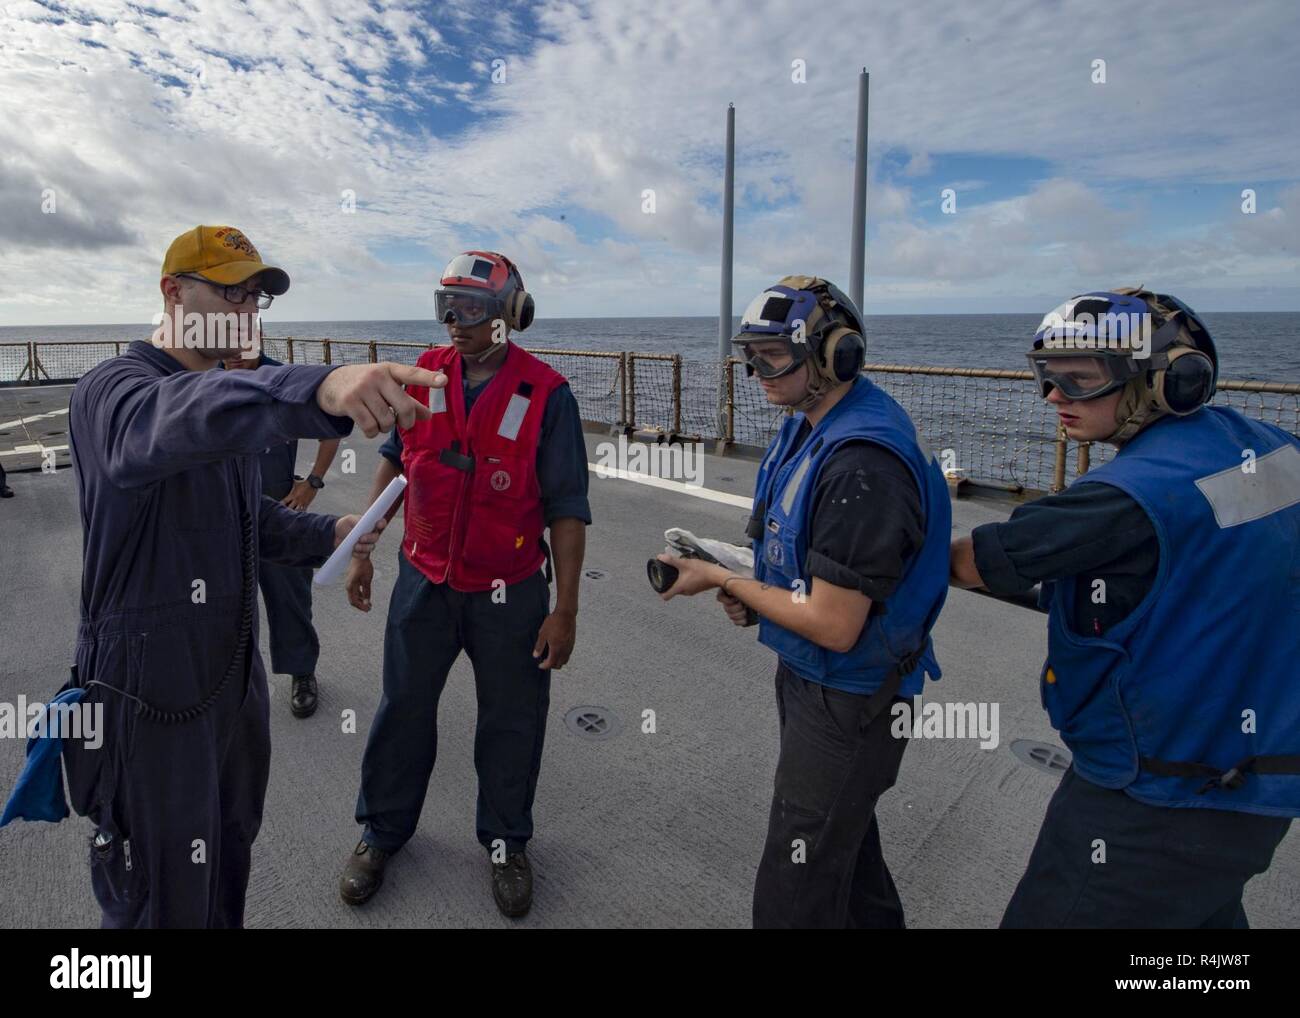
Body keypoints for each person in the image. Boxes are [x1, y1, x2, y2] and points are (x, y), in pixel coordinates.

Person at [60, 224, 446, 928]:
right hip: (146, 696)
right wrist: (323, 385)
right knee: (159, 894)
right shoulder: (114, 391)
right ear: (172, 292)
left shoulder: (217, 397)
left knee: (226, 861)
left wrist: (335, 532)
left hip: (231, 687)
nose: (244, 311)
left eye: (253, 298)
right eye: (228, 292)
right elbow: (166, 421)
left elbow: (247, 521)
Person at [949, 287, 1300, 928]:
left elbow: (970, 562)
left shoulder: (1125, 498)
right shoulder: (1276, 447)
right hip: (1259, 785)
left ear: (1173, 382)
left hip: (1152, 797)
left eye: (1079, 380)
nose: (1053, 397)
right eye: (1046, 377)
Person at [657, 276, 951, 928]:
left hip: (847, 696)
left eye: (773, 355)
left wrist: (724, 583)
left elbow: (834, 623)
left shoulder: (861, 461)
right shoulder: (811, 426)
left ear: (835, 354)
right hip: (817, 681)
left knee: (793, 891)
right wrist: (750, 587)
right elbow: (797, 563)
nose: (755, 371)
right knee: (847, 858)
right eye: (750, 355)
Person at [338, 251, 591, 918]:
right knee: (403, 710)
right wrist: (365, 549)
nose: (455, 321)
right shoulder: (421, 377)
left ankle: (507, 842)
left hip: (509, 591)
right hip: (424, 582)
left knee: (512, 722)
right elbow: (396, 464)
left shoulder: (548, 394)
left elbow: (567, 510)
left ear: (511, 315)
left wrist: (564, 608)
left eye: (473, 309)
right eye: (445, 305)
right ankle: (381, 832)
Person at [223, 348, 340, 718]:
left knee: (290, 597)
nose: (234, 355)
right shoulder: (206, 378)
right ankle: (223, 684)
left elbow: (331, 426)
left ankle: (302, 672)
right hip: (221, 510)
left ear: (257, 335)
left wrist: (312, 483)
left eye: (243, 344)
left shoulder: (283, 379)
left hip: (279, 503)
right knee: (220, 604)